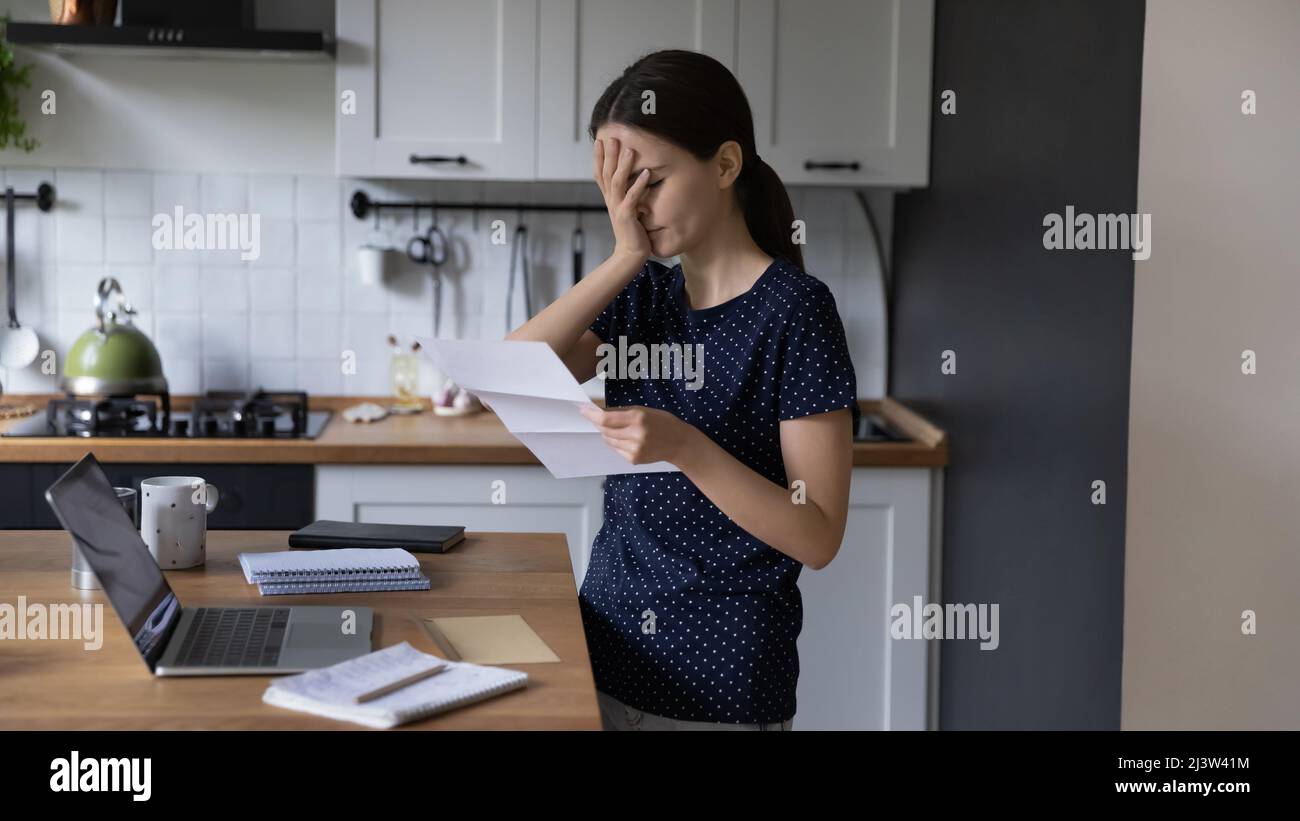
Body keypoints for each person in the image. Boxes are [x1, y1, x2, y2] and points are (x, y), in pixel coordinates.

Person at [506, 49, 860, 730]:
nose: (632, 206)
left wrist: (686, 448)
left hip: (721, 681)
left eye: (650, 180)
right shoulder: (644, 293)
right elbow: (512, 377)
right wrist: (624, 258)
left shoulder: (795, 310)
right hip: (605, 651)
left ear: (725, 165)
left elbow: (816, 535)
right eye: (617, 187)